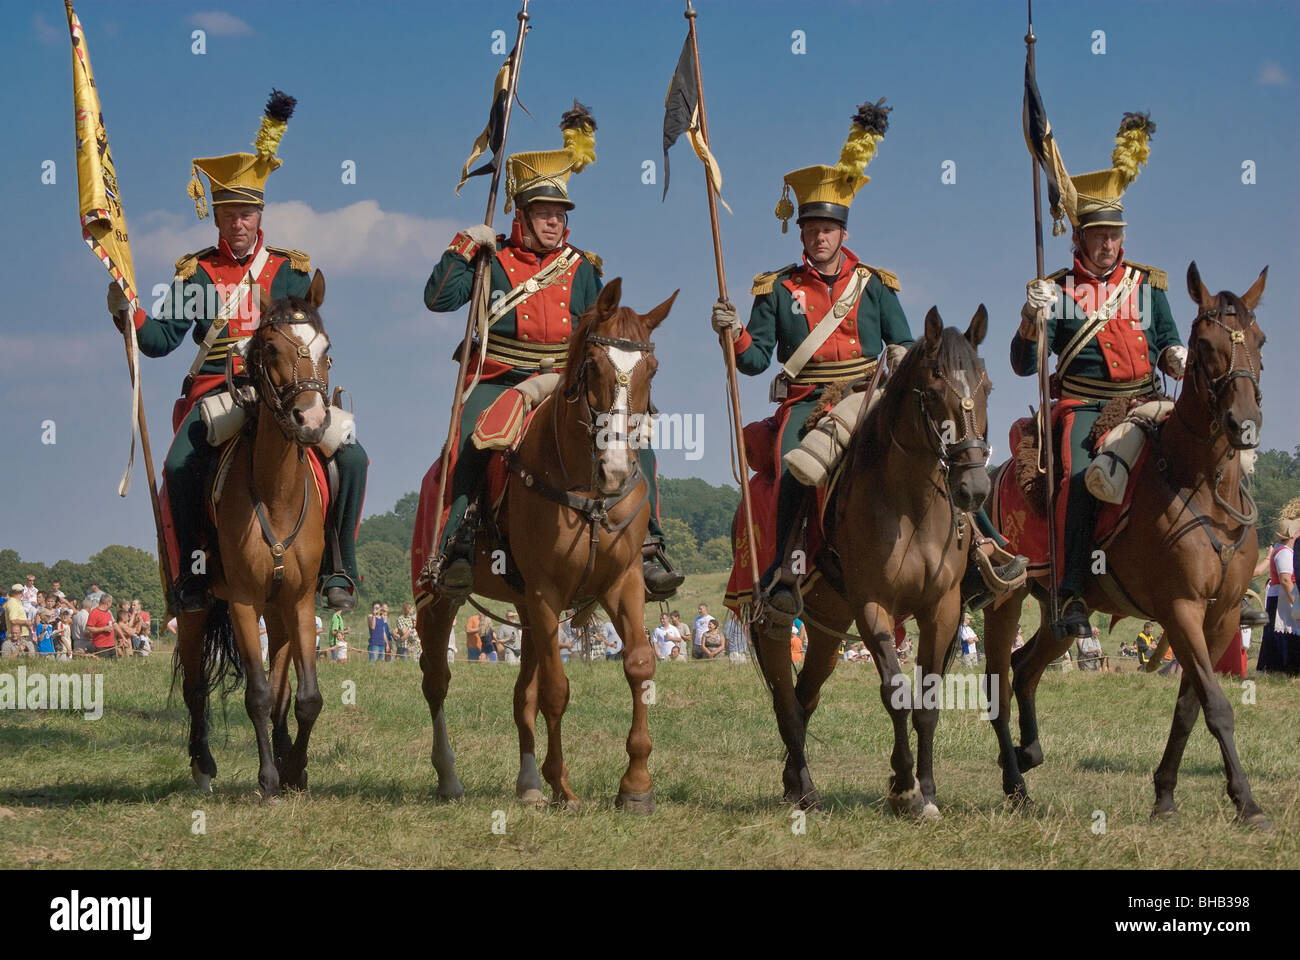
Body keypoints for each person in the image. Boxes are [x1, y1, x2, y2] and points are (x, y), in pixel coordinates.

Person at [108, 90, 366, 615]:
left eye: (247, 213)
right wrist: (126, 311)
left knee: (354, 457)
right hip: (221, 393)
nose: (238, 224)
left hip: (289, 391)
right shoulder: (197, 274)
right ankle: (196, 573)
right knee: (180, 464)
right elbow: (158, 342)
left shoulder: (291, 269)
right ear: (217, 217)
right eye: (229, 214)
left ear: (259, 215)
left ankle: (339, 565)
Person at [423, 102, 682, 602]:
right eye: (544, 213)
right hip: (501, 376)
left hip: (566, 382)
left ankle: (648, 544)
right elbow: (437, 302)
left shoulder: (583, 269)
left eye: (560, 214)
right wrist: (461, 249)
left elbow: (602, 333)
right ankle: (457, 544)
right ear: (520, 214)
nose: (554, 223)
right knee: (473, 439)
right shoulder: (490, 259)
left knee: (634, 434)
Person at [1012, 111, 1184, 638]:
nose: (1107, 244)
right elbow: (1024, 365)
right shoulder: (1058, 290)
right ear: (1080, 238)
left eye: (1114, 235)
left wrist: (1176, 356)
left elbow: (1167, 341)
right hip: (1083, 408)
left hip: (1148, 400)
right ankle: (1070, 589)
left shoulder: (1147, 286)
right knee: (1079, 476)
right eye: (1098, 235)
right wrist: (1030, 318)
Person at [1259, 515, 1298, 674]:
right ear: (1293, 535)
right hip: (1282, 598)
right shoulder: (1284, 553)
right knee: (1282, 632)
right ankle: (1280, 668)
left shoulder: (1284, 551)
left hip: (1283, 597)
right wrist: (1296, 602)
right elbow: (1285, 580)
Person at [85, 593, 117, 659]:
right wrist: (103, 629)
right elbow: (89, 628)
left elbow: (115, 625)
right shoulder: (94, 612)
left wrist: (122, 637)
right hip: (100, 646)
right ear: (108, 603)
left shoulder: (108, 613)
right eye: (111, 603)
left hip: (111, 645)